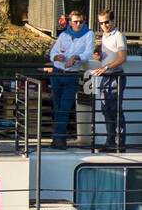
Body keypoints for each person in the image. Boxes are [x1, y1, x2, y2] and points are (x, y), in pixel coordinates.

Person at [48, 9, 93, 149]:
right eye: (75, 22)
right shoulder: (64, 35)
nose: (78, 24)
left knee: (65, 107)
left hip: (71, 74)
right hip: (57, 72)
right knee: (57, 107)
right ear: (70, 22)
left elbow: (88, 52)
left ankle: (60, 138)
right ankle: (58, 138)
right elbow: (53, 52)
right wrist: (56, 57)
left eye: (80, 21)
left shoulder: (88, 34)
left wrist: (76, 58)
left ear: (84, 21)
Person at [92, 9, 129, 151]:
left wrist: (106, 67)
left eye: (107, 22)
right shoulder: (105, 37)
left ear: (113, 21)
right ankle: (110, 142)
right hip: (106, 76)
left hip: (116, 76)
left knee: (115, 110)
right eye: (101, 23)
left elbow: (122, 58)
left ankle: (120, 144)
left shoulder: (118, 36)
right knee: (105, 109)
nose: (104, 25)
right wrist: (100, 57)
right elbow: (109, 56)